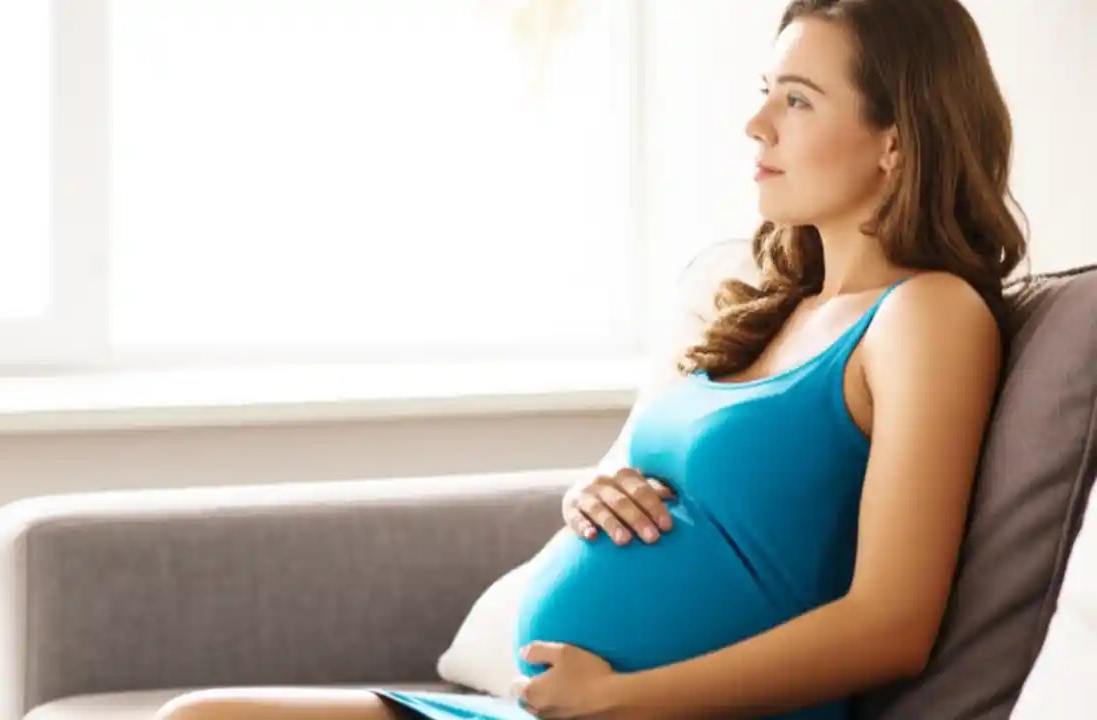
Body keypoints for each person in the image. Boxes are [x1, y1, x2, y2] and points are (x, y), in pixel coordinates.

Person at [156, 0, 1027, 717]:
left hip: (665, 712)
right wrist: (595, 489)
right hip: (570, 709)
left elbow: (893, 623)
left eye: (797, 100)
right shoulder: (766, 310)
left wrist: (628, 699)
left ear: (896, 140)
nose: (755, 122)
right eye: (765, 90)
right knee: (199, 717)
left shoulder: (925, 315)